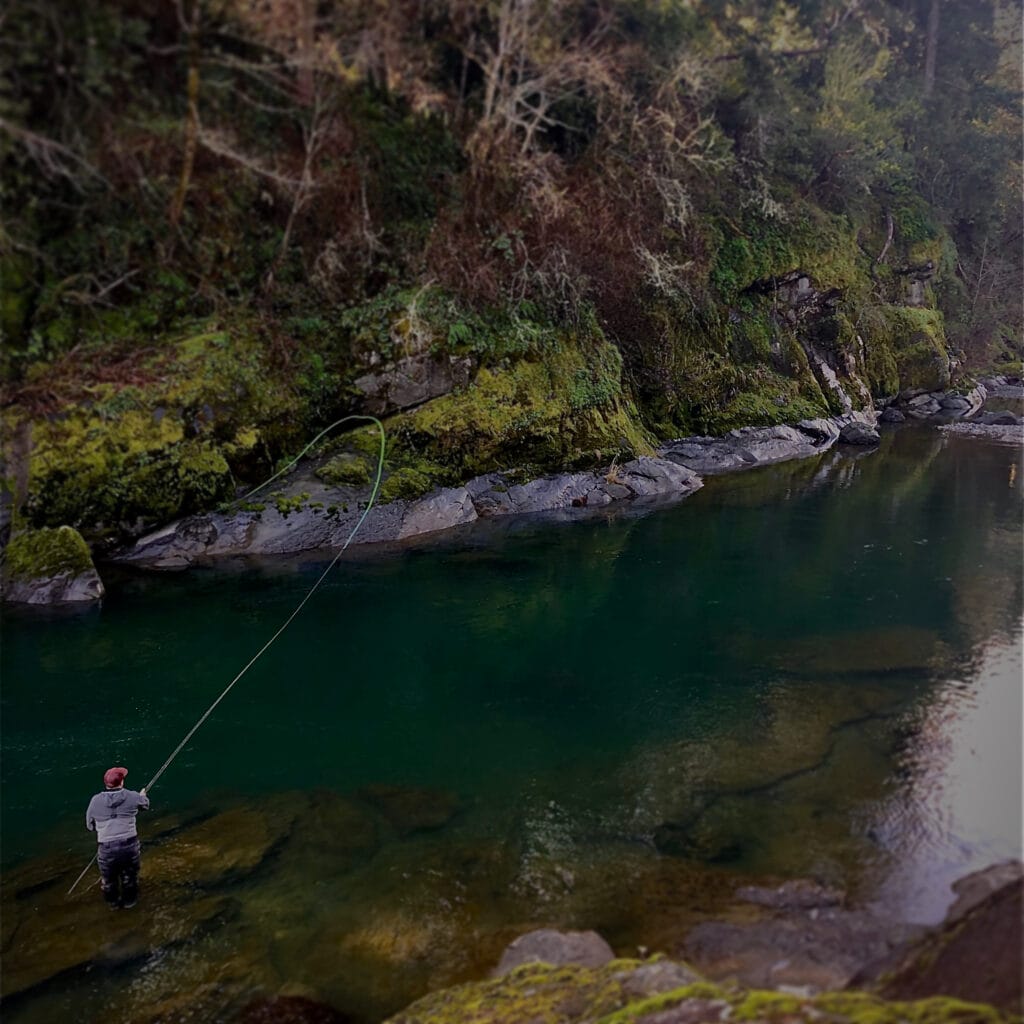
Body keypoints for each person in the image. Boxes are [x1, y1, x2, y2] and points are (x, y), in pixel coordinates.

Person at [85, 766, 150, 909]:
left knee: (109, 880)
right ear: (121, 782)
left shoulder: (95, 801)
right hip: (129, 846)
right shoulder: (133, 796)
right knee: (130, 877)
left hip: (106, 848)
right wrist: (142, 796)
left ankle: (113, 905)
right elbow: (145, 805)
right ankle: (130, 903)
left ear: (106, 783)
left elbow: (90, 826)